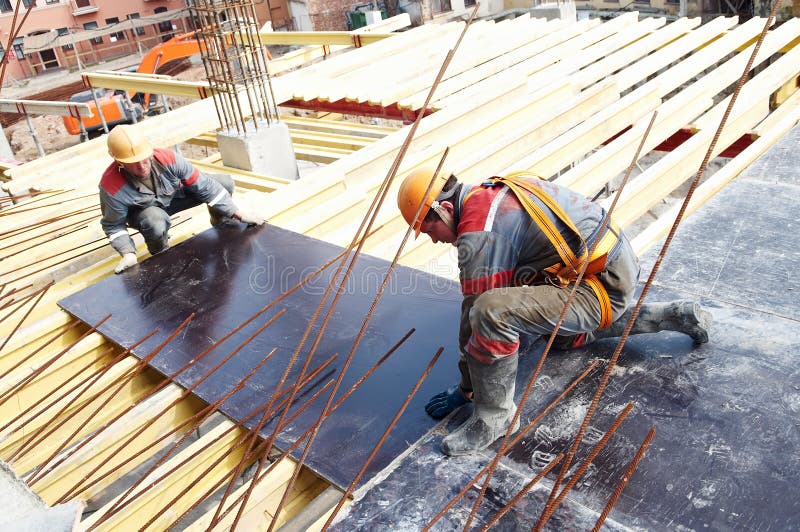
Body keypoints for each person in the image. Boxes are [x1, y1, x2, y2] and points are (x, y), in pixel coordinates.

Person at [397, 168, 712, 456]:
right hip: (608, 268)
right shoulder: (492, 191)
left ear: (446, 209)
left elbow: (474, 315)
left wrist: (467, 388)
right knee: (551, 333)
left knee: (491, 313)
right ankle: (673, 315)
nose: (435, 240)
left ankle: (495, 418)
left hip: (599, 285)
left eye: (429, 230)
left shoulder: (480, 233)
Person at [99, 125, 265, 274]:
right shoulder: (111, 185)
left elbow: (205, 185)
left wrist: (238, 213)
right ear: (119, 161)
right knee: (155, 221)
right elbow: (114, 225)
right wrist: (128, 253)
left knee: (223, 183)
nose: (142, 167)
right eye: (134, 163)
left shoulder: (167, 159)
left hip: (173, 198)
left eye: (144, 160)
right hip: (146, 214)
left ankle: (221, 224)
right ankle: (162, 254)